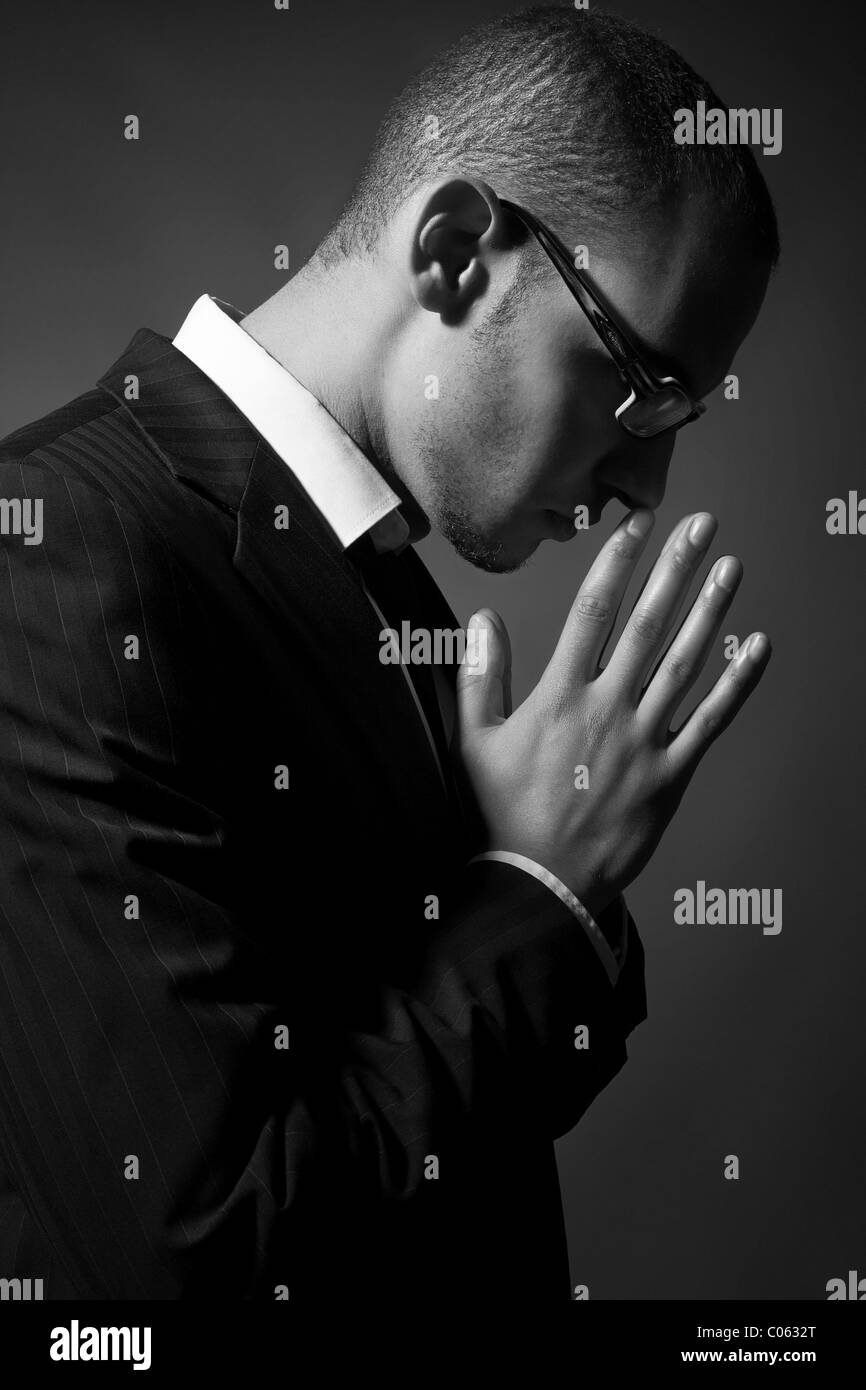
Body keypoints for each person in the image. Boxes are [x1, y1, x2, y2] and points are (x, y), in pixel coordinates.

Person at [0, 6, 777, 1302]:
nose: (646, 485)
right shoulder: (53, 553)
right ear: (458, 249)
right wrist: (535, 891)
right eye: (643, 391)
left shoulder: (379, 589)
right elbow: (197, 1257)